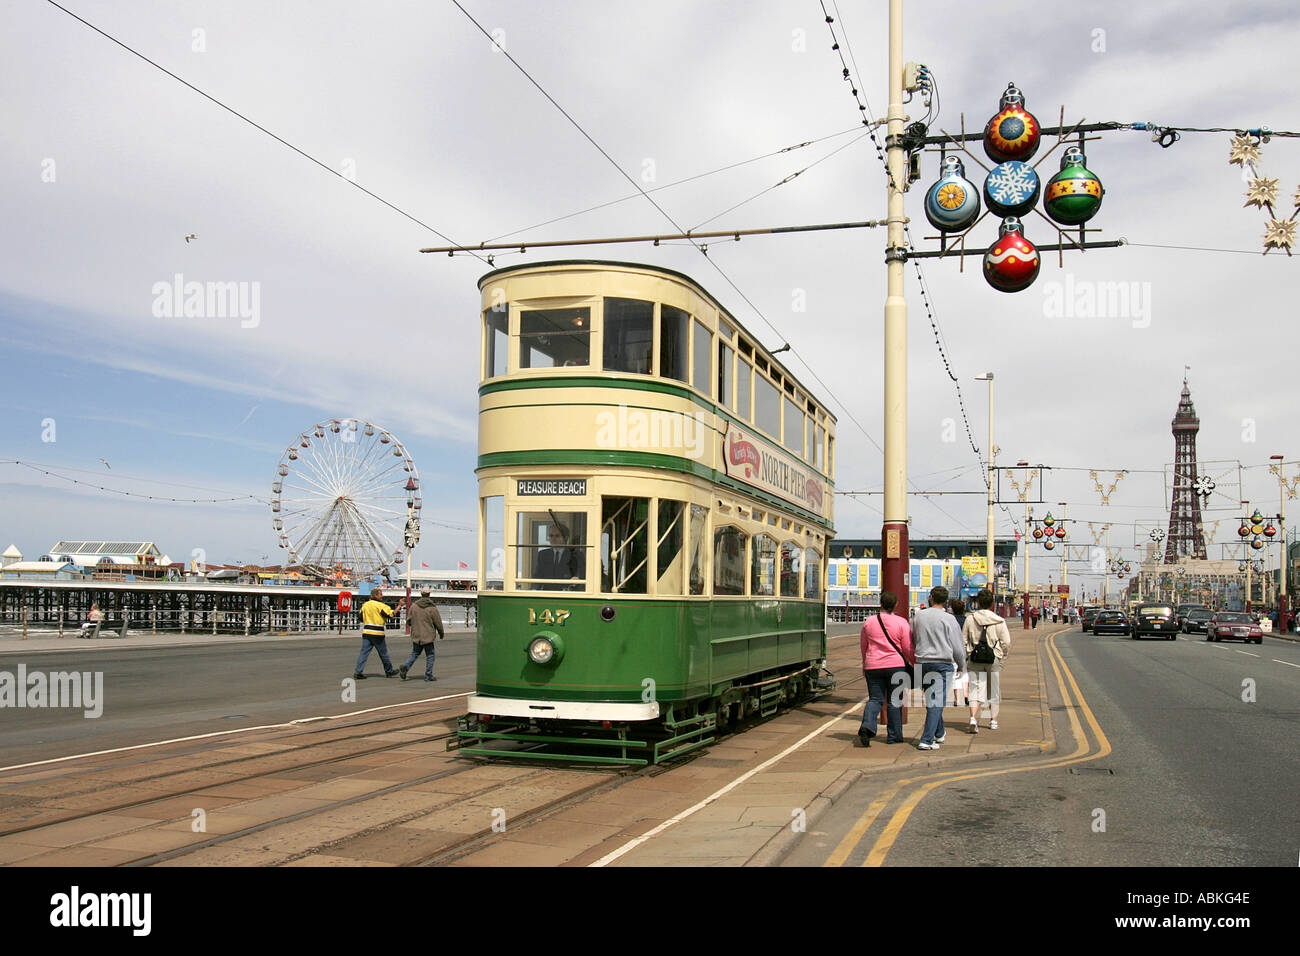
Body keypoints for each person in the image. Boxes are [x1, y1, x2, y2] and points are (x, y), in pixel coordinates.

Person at [912, 586, 966, 751]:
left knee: (932, 700)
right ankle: (926, 739)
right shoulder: (949, 619)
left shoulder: (918, 616)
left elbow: (913, 637)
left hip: (922, 662)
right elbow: (957, 645)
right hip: (942, 663)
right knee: (936, 701)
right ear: (946, 601)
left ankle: (940, 732)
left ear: (931, 598)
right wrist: (961, 664)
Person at [857, 591, 915, 746]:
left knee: (875, 699)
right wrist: (914, 663)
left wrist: (865, 663)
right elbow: (908, 647)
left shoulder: (869, 622)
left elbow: (864, 645)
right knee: (894, 701)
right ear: (895, 605)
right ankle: (894, 736)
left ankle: (867, 726)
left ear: (881, 604)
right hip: (896, 666)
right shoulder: (901, 622)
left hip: (873, 665)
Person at [963, 588, 1013, 733]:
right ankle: (993, 721)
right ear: (992, 603)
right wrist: (1002, 655)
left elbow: (963, 640)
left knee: (974, 689)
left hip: (974, 658)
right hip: (994, 659)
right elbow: (1007, 642)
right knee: (994, 690)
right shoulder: (999, 621)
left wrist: (968, 653)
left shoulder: (970, 619)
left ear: (977, 602)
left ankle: (973, 718)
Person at [401, 587, 445, 681]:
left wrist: (414, 626)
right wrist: (441, 633)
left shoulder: (414, 606)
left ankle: (405, 667)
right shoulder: (432, 608)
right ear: (429, 594)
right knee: (430, 655)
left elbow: (409, 620)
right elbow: (438, 622)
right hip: (428, 635)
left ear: (421, 594)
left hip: (416, 634)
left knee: (415, 653)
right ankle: (428, 675)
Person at [354, 588, 400, 679]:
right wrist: (399, 606)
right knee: (383, 654)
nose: (382, 596)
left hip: (367, 632)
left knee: (363, 653)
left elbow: (360, 617)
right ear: (375, 595)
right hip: (378, 633)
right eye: (380, 594)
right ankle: (389, 671)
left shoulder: (365, 605)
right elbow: (391, 615)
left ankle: (358, 672)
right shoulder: (381, 605)